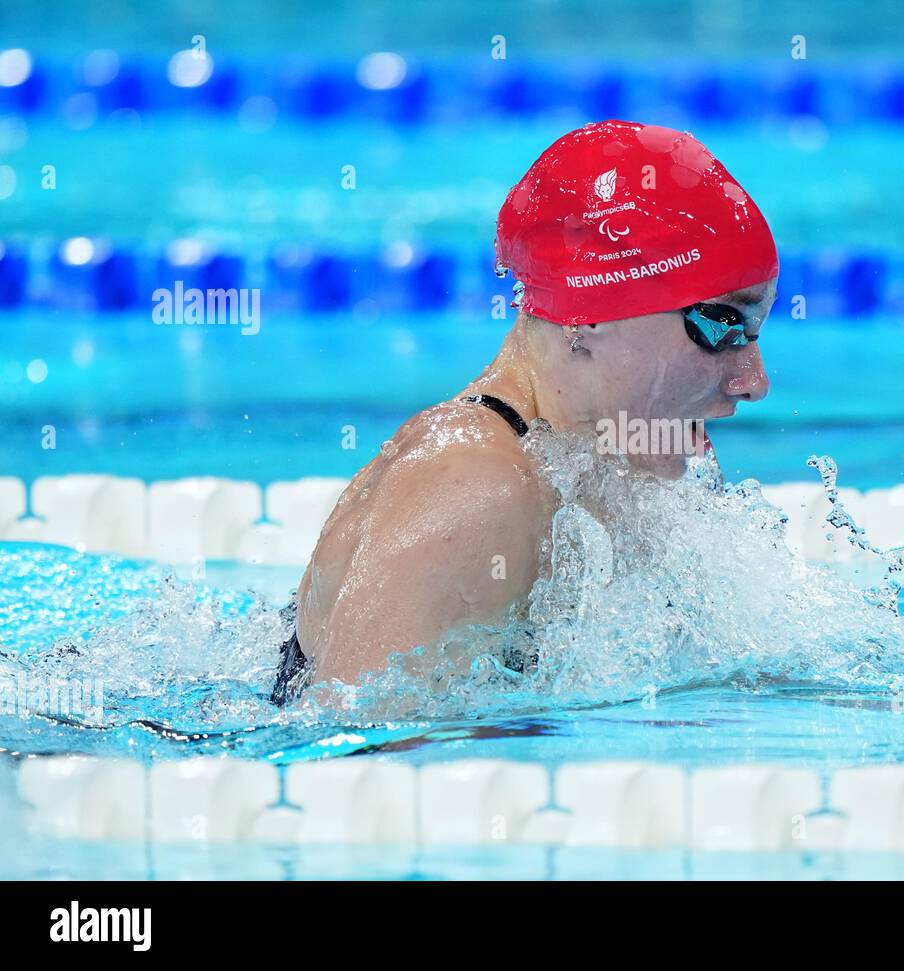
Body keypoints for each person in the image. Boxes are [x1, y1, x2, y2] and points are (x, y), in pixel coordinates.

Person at [271, 119, 779, 705]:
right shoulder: (475, 490)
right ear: (590, 316)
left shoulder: (602, 466)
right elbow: (355, 769)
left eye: (756, 329)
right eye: (721, 325)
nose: (753, 382)